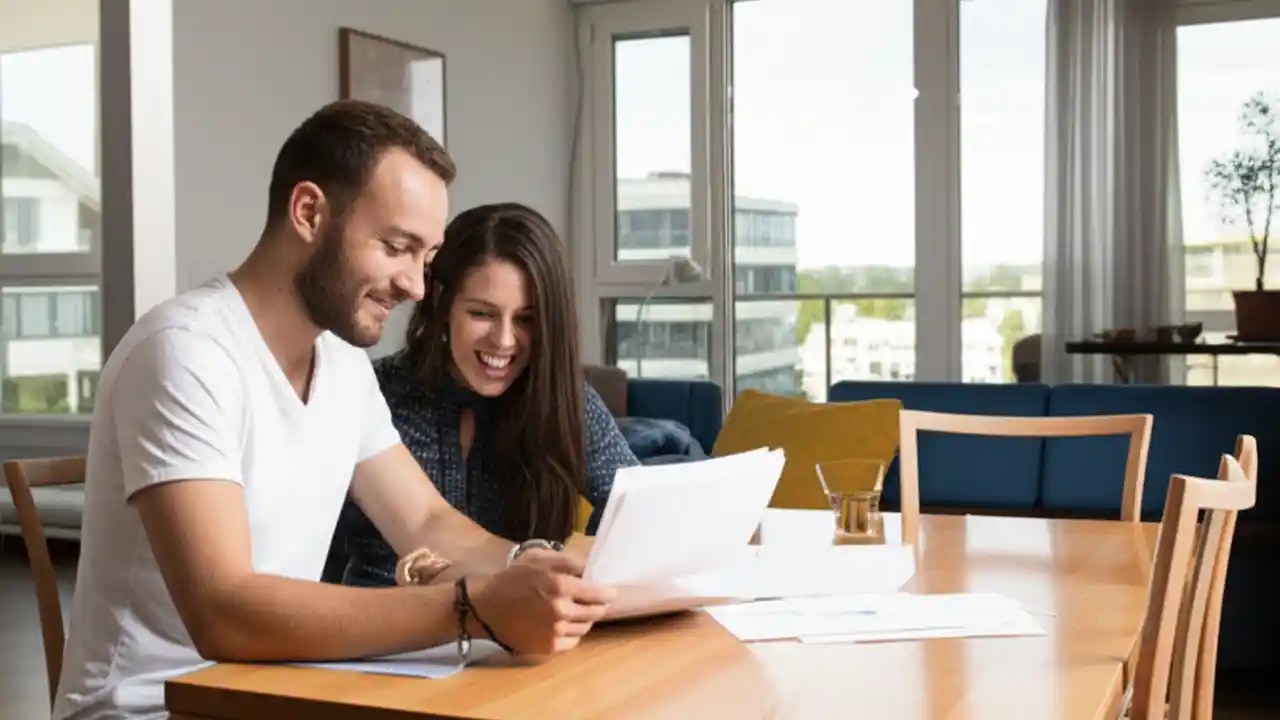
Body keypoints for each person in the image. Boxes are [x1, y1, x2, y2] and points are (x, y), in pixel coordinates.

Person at [53, 101, 615, 720]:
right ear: (308, 212)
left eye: (425, 258)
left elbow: (424, 520)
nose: (416, 286)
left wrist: (532, 567)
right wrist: (471, 606)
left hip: (275, 694)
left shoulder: (342, 364)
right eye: (396, 247)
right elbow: (223, 610)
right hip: (147, 709)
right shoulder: (185, 352)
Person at [326, 202, 640, 588]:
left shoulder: (564, 401)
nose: (504, 341)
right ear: (441, 301)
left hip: (518, 618)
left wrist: (587, 569)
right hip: (381, 616)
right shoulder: (372, 393)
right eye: (483, 314)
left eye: (526, 319)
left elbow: (637, 512)